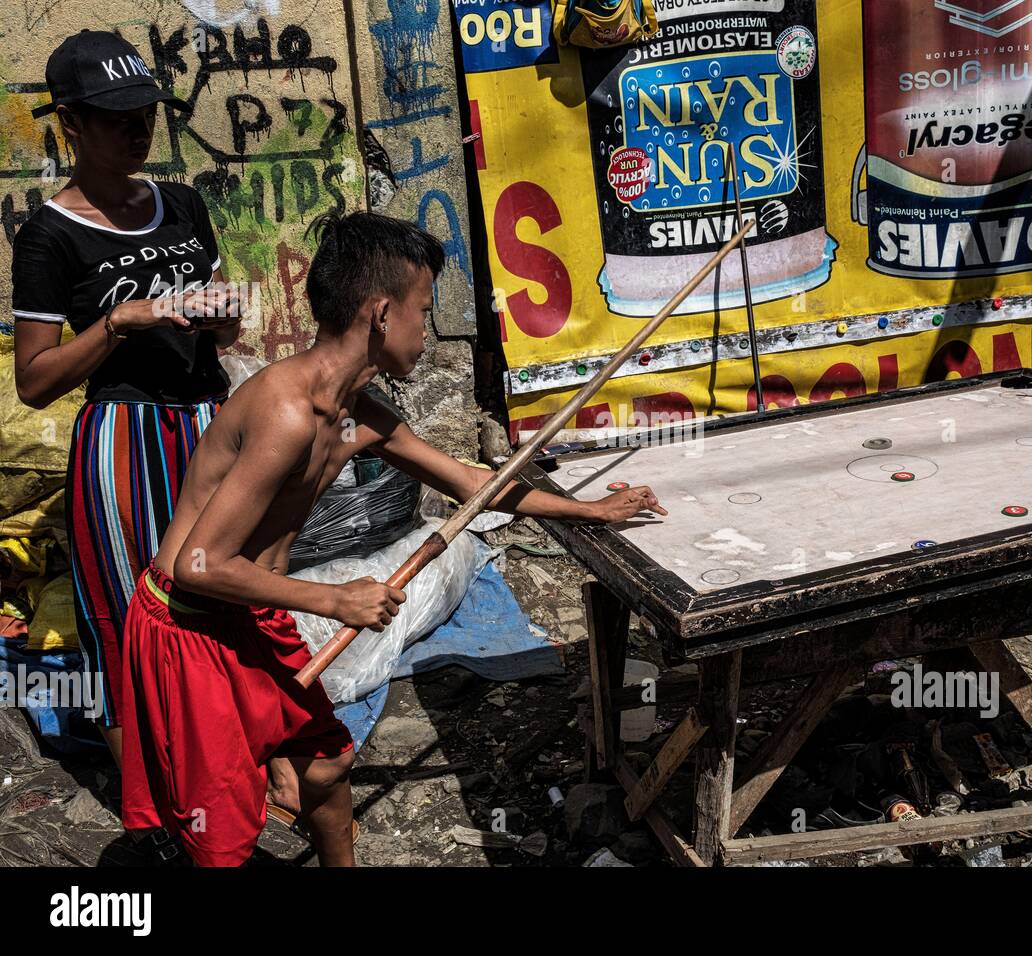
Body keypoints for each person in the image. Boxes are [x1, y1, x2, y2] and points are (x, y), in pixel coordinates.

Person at [120, 210, 667, 866]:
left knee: (325, 765)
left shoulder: (359, 416)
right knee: (223, 837)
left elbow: (472, 482)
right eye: (424, 310)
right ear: (381, 314)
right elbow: (198, 566)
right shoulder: (288, 413)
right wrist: (334, 600)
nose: (428, 331)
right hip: (192, 628)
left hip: (251, 615)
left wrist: (588, 512)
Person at [9, 31, 241, 791]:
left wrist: (221, 315)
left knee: (222, 603)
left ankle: (232, 772)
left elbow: (225, 323)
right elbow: (36, 381)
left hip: (211, 425)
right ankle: (156, 800)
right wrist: (118, 323)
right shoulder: (47, 235)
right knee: (127, 621)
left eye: (147, 113)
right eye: (118, 119)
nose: (140, 130)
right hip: (125, 443)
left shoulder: (182, 203)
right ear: (70, 123)